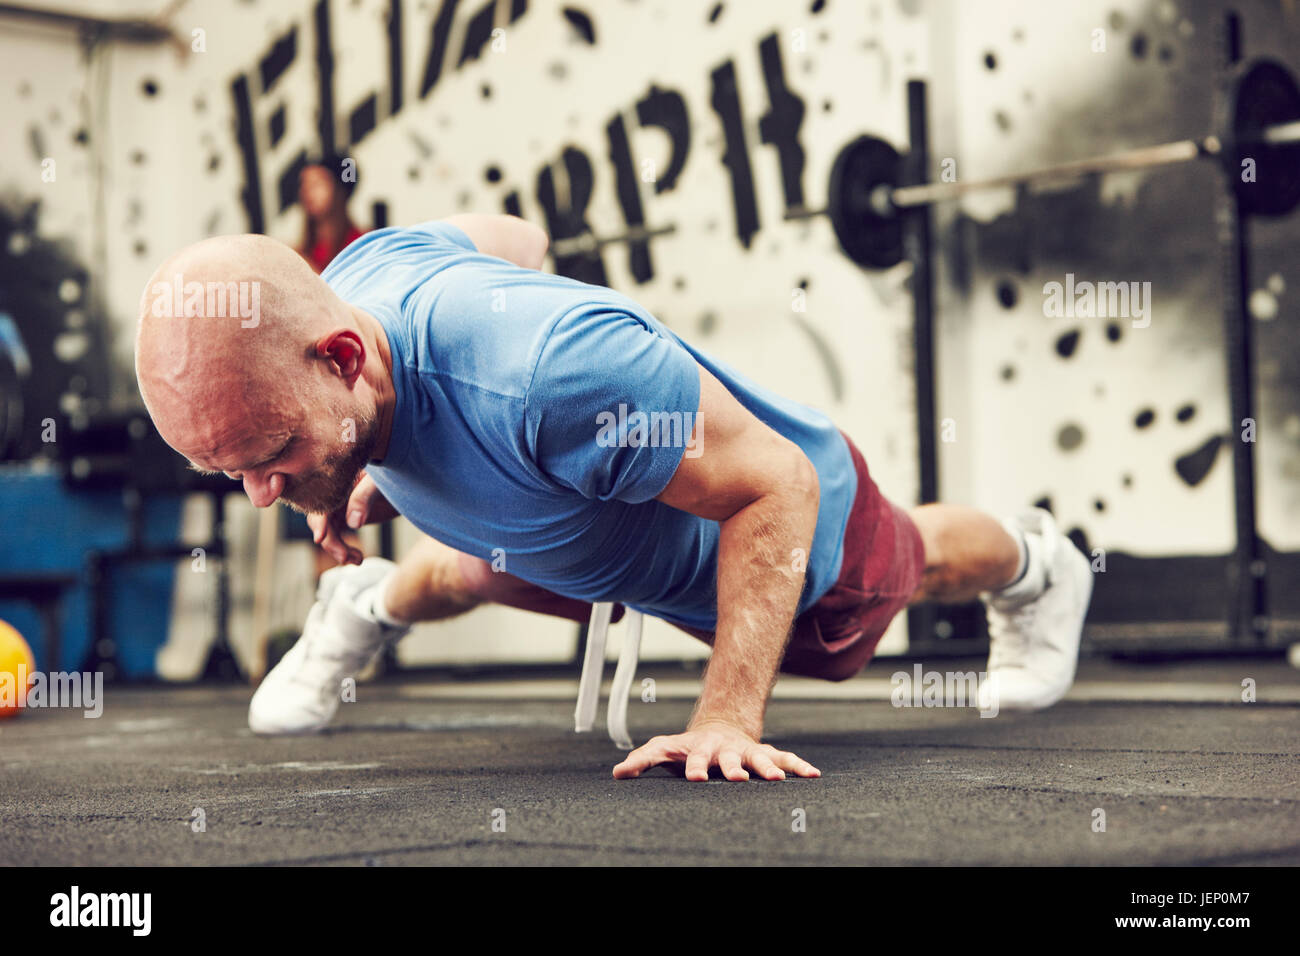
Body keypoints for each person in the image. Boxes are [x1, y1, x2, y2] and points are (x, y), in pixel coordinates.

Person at [133, 216, 1093, 783]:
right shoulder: (354, 287)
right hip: (552, 525)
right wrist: (340, 468)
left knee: (885, 586)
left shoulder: (557, 379)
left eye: (271, 456)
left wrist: (726, 720)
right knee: (470, 568)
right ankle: (364, 605)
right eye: (230, 471)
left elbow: (777, 486)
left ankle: (1038, 565)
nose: (261, 498)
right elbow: (513, 238)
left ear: (345, 361)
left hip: (795, 531)